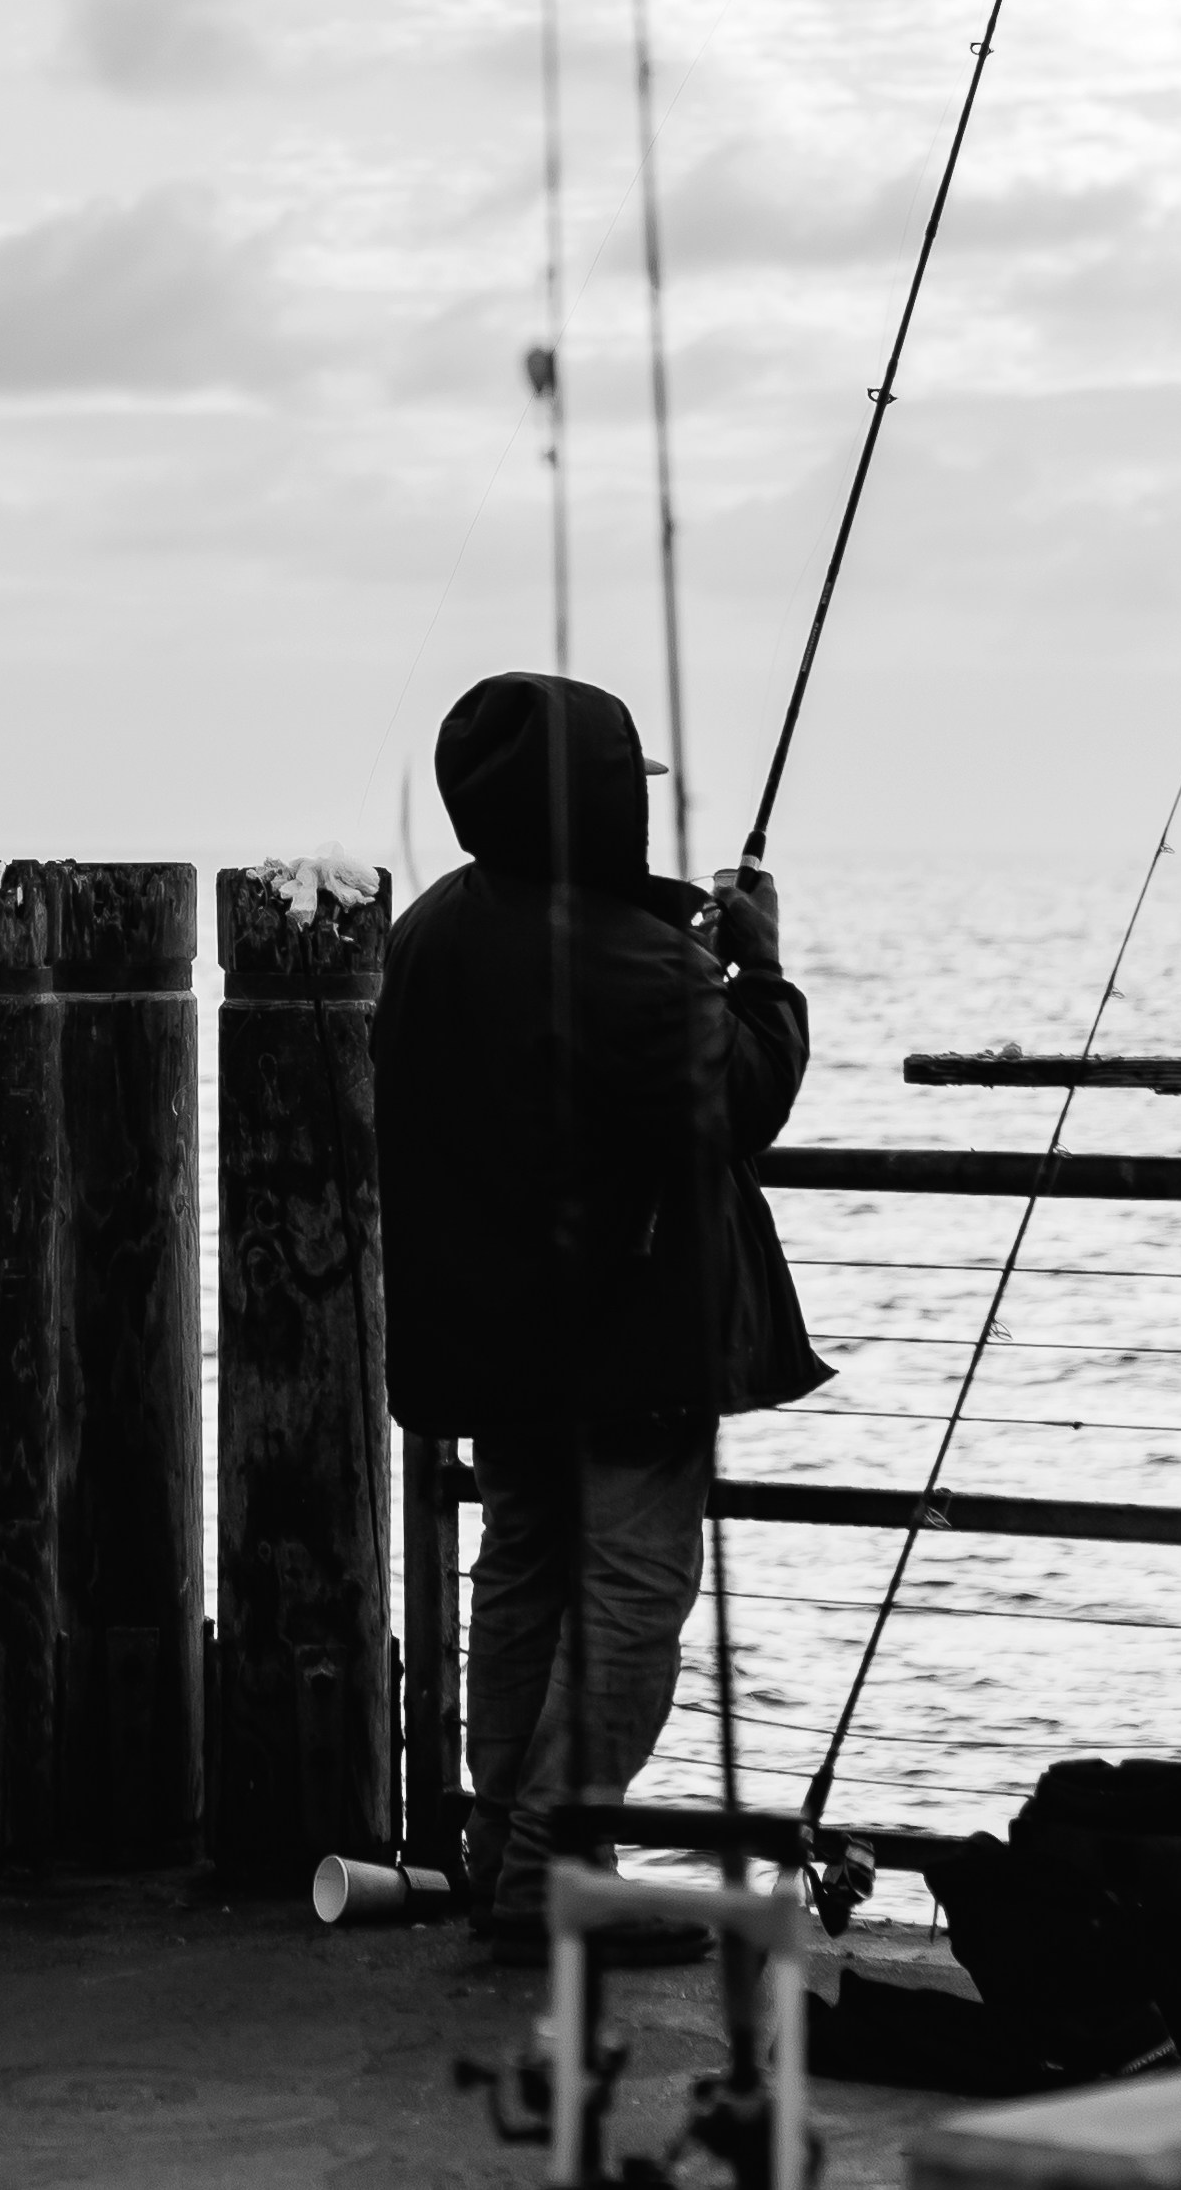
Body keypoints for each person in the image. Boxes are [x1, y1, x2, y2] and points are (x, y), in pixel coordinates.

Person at [376, 670, 824, 1961]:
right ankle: (548, 1877)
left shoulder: (430, 929)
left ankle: (496, 1857)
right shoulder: (628, 954)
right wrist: (760, 971)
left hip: (489, 1334)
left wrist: (677, 942)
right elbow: (736, 1099)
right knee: (628, 1592)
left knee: (519, 1574)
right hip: (624, 1342)